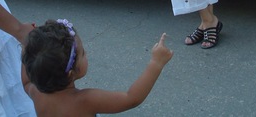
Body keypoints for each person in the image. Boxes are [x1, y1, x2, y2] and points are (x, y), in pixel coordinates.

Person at [21, 19, 173, 116]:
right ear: (70, 73)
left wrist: (30, 47)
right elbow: (131, 98)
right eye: (83, 54)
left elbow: (26, 81)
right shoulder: (85, 100)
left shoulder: (36, 92)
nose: (86, 54)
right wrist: (156, 63)